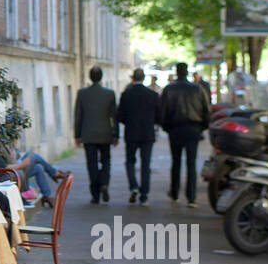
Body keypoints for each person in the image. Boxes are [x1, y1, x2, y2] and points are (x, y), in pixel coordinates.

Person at [161, 61, 211, 207]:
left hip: (175, 129)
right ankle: (191, 197)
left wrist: (166, 127)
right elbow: (206, 109)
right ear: (187, 71)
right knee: (191, 162)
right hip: (193, 128)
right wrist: (203, 127)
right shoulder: (197, 89)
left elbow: (163, 111)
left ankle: (175, 192)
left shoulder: (169, 89)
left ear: (177, 72)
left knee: (176, 162)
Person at [117, 68, 162, 206]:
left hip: (131, 133)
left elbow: (120, 116)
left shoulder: (126, 94)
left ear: (133, 78)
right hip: (147, 134)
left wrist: (130, 123)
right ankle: (144, 196)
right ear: (144, 78)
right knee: (145, 164)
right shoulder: (152, 95)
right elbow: (159, 116)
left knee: (130, 161)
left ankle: (133, 186)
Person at [74, 66, 118, 204]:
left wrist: (77, 134)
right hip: (105, 134)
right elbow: (114, 117)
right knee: (106, 161)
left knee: (91, 164)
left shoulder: (82, 93)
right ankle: (104, 182)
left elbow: (78, 115)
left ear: (90, 77)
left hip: (88, 134)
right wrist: (116, 134)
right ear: (101, 77)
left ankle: (95, 194)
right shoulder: (110, 93)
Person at [0, 145, 66, 208]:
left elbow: (15, 159)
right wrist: (22, 164)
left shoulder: (7, 144)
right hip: (6, 175)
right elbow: (5, 168)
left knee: (38, 167)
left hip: (16, 169)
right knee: (34, 157)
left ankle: (47, 196)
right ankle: (54, 173)